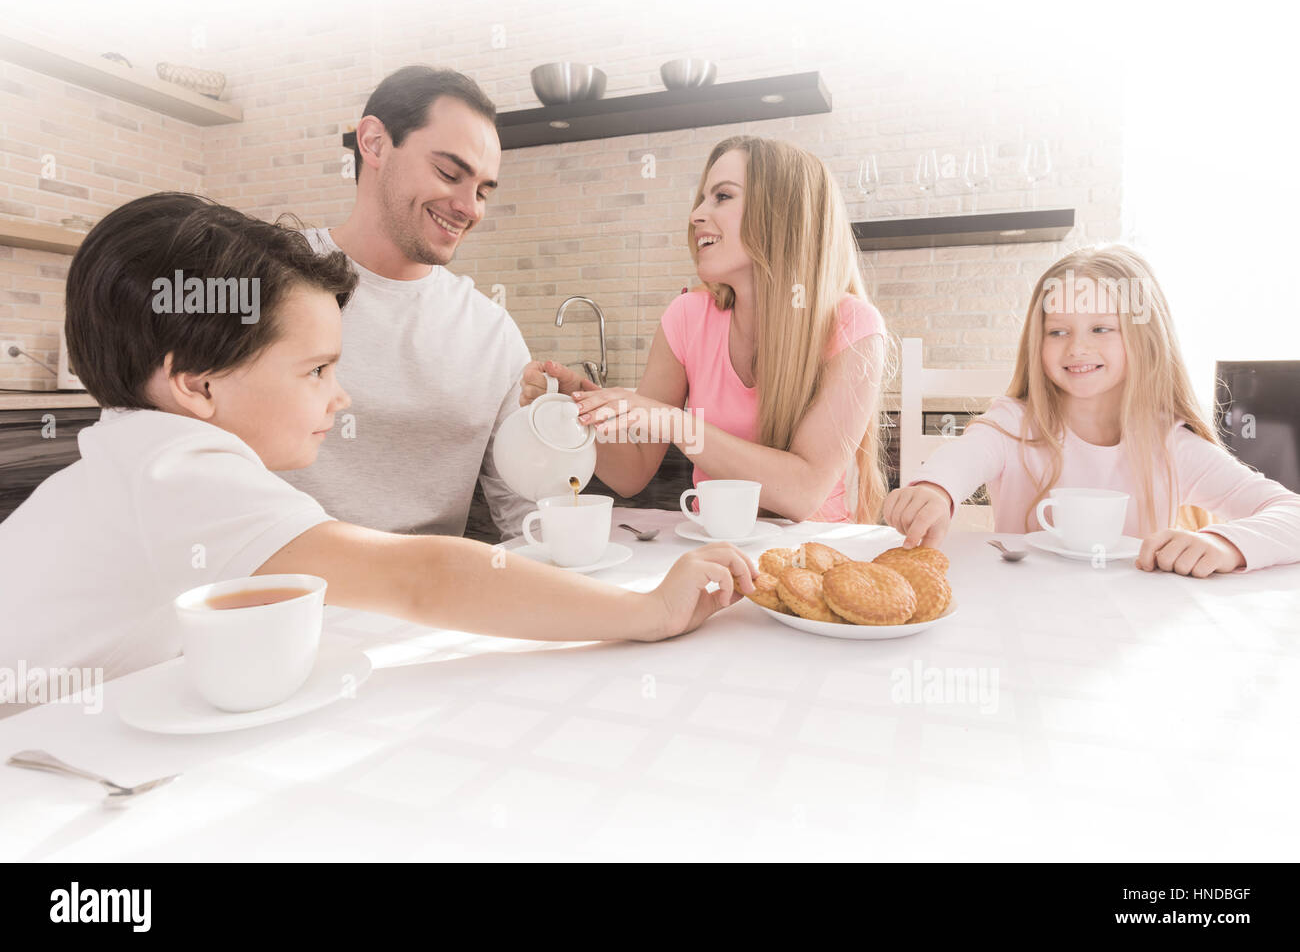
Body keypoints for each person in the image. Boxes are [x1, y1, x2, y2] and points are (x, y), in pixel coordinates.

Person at [0, 194, 757, 713]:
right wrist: (648, 610)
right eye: (317, 371)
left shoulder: (142, 454)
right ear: (196, 385)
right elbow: (425, 577)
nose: (342, 398)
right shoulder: (177, 470)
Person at [520, 136, 889, 524]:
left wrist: (672, 420)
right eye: (702, 198)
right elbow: (632, 473)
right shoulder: (687, 317)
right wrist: (578, 405)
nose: (696, 214)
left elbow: (802, 493)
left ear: (781, 214)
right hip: (713, 553)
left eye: (722, 197)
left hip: (809, 560)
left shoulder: (853, 327)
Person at [883, 244, 1300, 575]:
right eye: (1058, 331)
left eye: (1101, 328)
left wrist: (1224, 545)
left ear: (1145, 338)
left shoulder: (1170, 445)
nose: (1077, 347)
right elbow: (961, 460)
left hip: (1122, 633)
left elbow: (1292, 515)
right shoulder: (1013, 424)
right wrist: (935, 491)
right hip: (1020, 620)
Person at [278, 66, 533, 540]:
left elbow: (529, 519)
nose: (470, 207)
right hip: (276, 599)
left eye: (481, 191)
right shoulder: (260, 280)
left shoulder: (491, 333)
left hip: (424, 604)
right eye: (448, 173)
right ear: (373, 143)